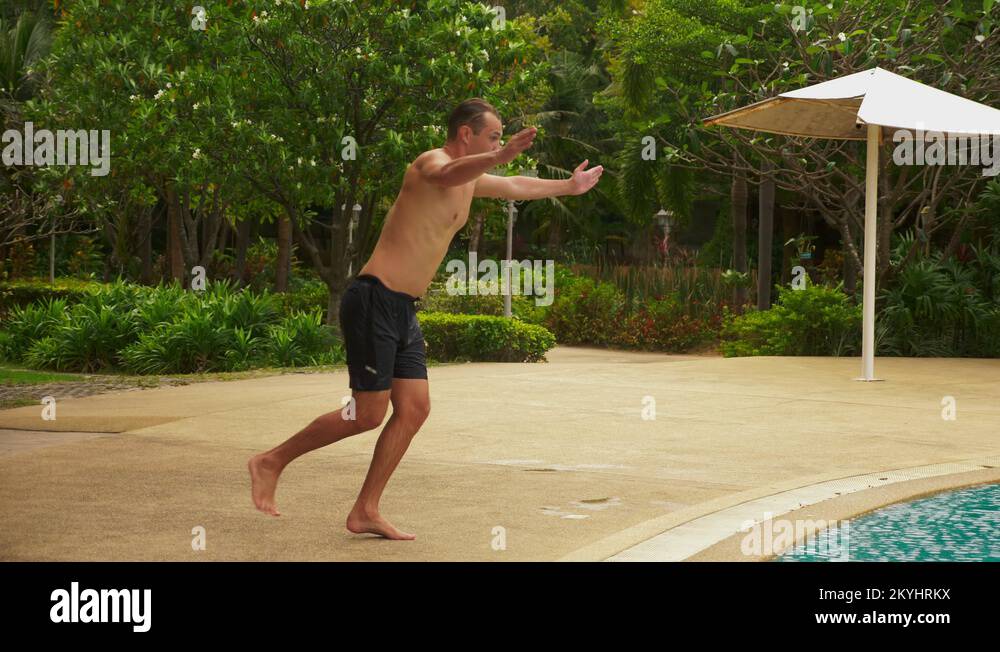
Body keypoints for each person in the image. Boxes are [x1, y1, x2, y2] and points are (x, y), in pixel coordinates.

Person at [248, 98, 603, 539]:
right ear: (466, 134)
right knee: (366, 414)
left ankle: (366, 510)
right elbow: (448, 173)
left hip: (402, 309)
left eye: (499, 138)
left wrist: (568, 187)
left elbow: (514, 184)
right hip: (374, 298)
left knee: (414, 409)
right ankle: (271, 461)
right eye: (493, 135)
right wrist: (499, 154)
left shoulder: (471, 180)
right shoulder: (431, 163)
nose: (498, 142)